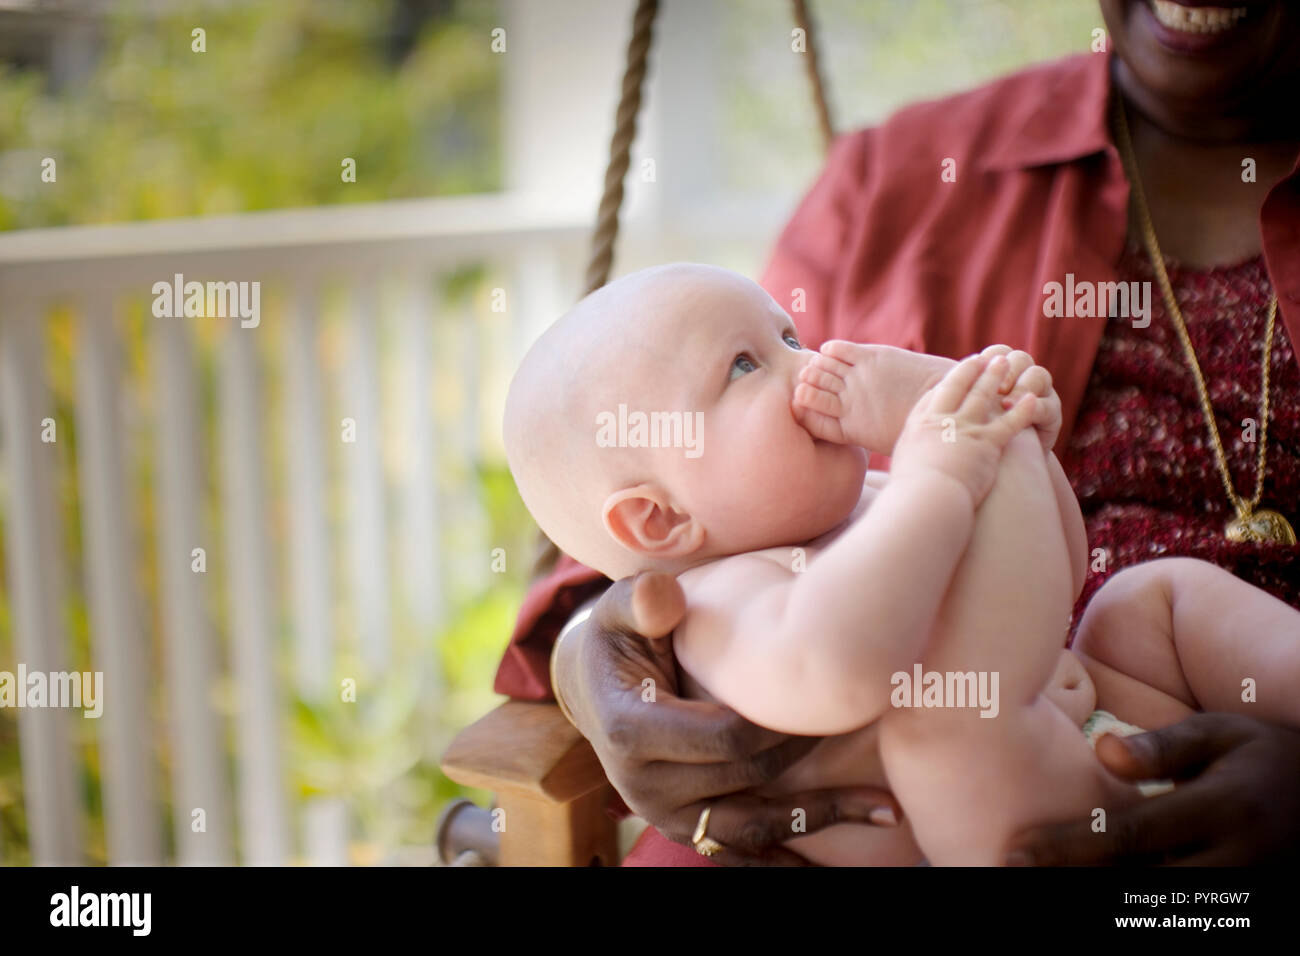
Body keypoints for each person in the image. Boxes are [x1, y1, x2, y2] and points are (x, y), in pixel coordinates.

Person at [497, 0, 1300, 865]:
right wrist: (596, 645)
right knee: (942, 726)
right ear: (654, 526)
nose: (810, 364)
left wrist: (994, 435)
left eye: (792, 338)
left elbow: (1056, 573)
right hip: (1011, 816)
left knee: (1151, 595)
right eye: (747, 365)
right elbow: (680, 540)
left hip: (1112, 713)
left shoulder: (878, 494)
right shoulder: (900, 178)